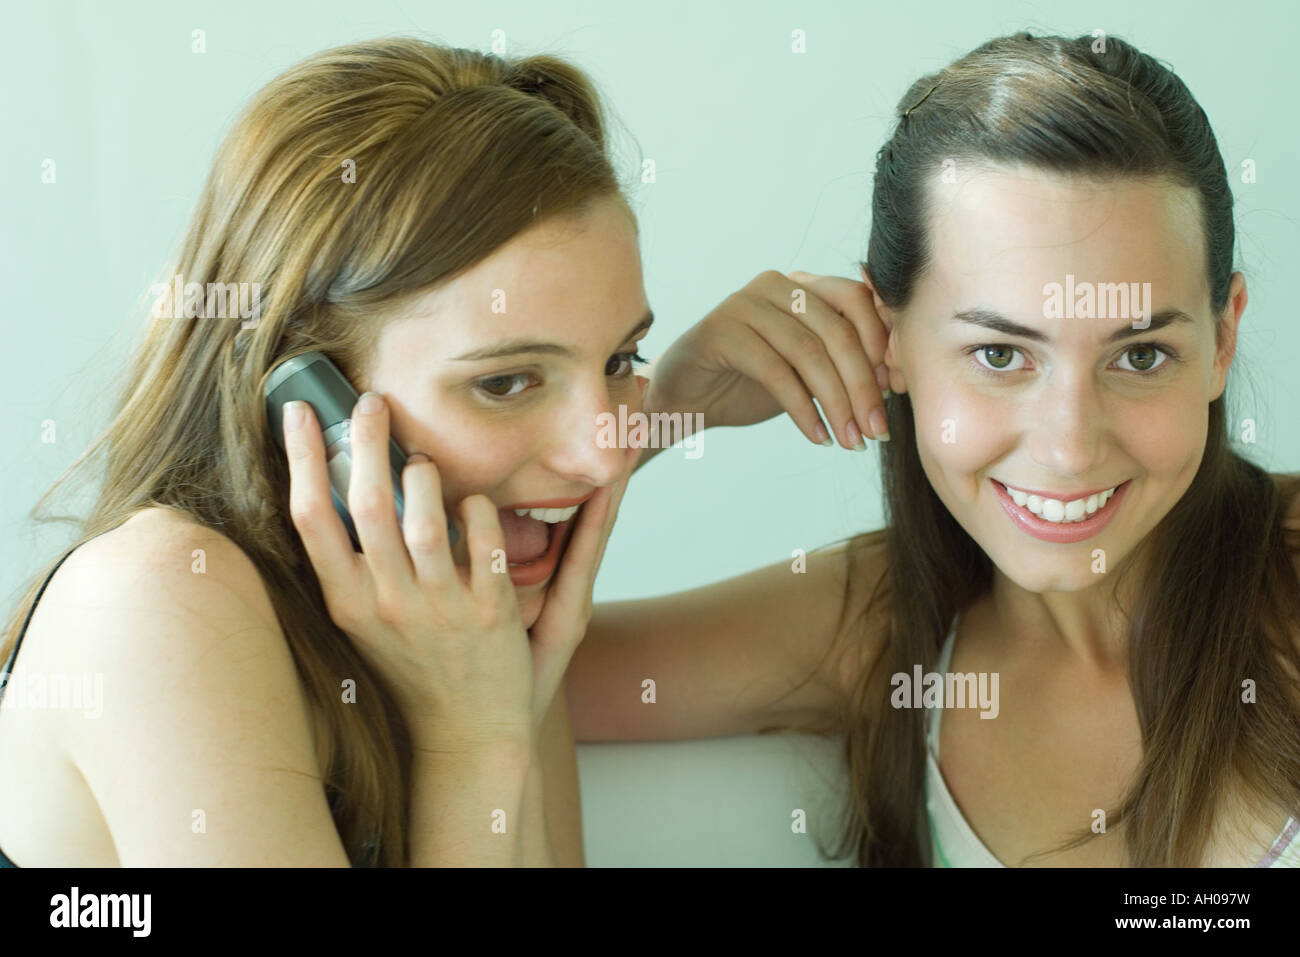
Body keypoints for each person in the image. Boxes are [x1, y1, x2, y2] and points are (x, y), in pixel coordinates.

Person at [567, 31, 1300, 867]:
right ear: (890, 340)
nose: (1068, 448)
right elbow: (482, 669)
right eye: (1000, 355)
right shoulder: (872, 625)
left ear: (1223, 335)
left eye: (1139, 356)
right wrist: (658, 412)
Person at [0, 35, 656, 867]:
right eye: (505, 382)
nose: (604, 456)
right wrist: (479, 742)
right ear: (308, 401)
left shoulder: (470, 619)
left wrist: (505, 708)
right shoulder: (156, 600)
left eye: (621, 361)